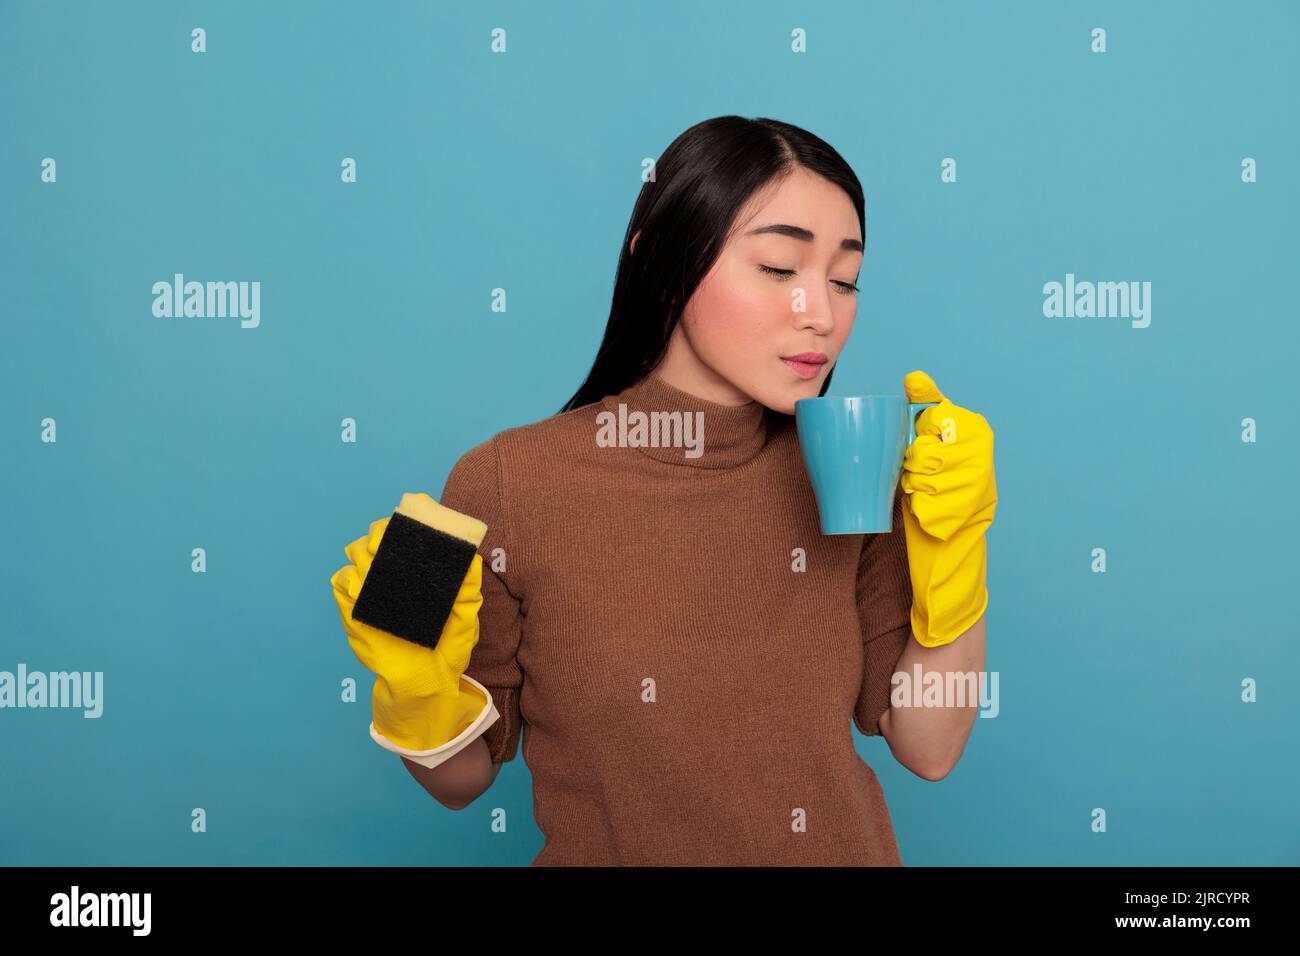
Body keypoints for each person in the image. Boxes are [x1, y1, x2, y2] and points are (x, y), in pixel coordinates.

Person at [335, 115, 997, 866]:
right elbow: (462, 780)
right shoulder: (500, 480)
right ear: (663, 263)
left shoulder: (856, 465)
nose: (821, 312)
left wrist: (957, 552)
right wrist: (413, 687)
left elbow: (930, 748)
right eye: (781, 268)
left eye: (844, 279)